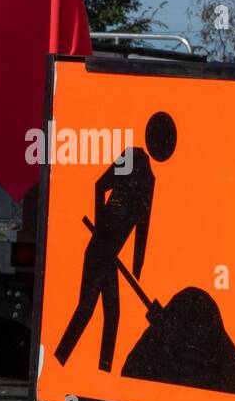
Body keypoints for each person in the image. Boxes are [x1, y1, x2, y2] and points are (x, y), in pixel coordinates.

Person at [54, 111, 175, 371]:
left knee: (113, 316)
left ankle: (103, 371)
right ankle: (60, 361)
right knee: (86, 310)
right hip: (100, 251)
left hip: (110, 256)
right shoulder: (131, 157)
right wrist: (101, 230)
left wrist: (137, 266)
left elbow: (143, 227)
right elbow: (100, 185)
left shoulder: (150, 181)